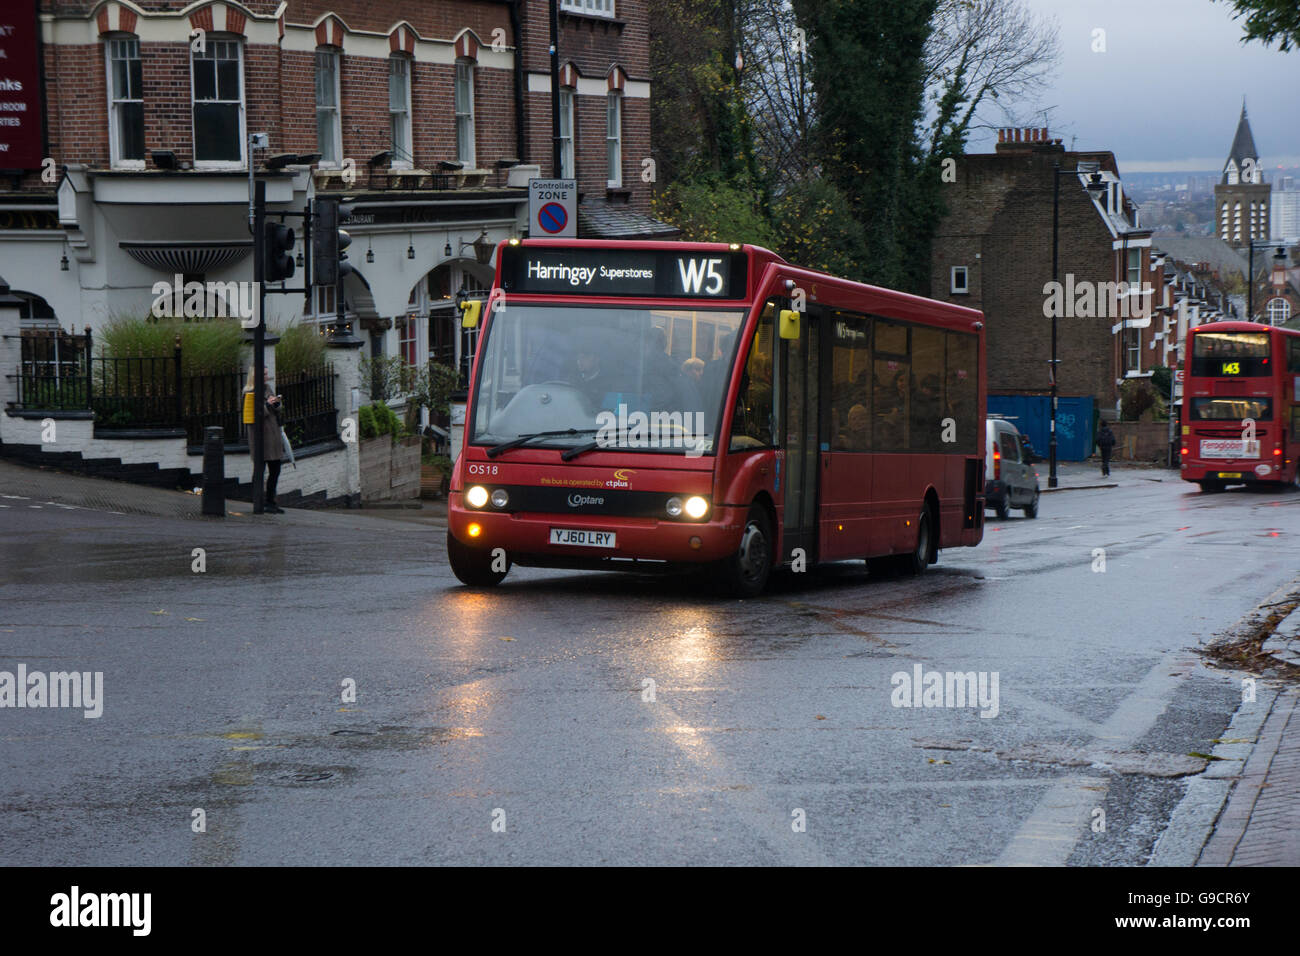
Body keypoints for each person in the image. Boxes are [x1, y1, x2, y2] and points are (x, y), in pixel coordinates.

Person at [244, 367, 285, 513]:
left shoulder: (268, 388)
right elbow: (255, 415)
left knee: (275, 469)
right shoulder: (249, 393)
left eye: (267, 374)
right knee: (259, 470)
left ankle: (271, 501)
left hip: (273, 436)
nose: (267, 376)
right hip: (260, 437)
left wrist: (276, 403)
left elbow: (276, 409)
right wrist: (267, 405)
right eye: (264, 374)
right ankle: (259, 501)